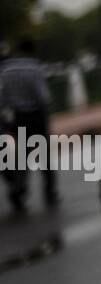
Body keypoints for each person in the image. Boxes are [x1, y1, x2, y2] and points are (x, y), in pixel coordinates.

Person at [0, 37, 59, 213]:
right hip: (37, 116)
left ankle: (17, 190)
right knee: (44, 156)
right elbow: (43, 97)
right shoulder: (35, 68)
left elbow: (3, 101)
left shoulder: (6, 71)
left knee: (24, 157)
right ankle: (49, 192)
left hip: (19, 117)